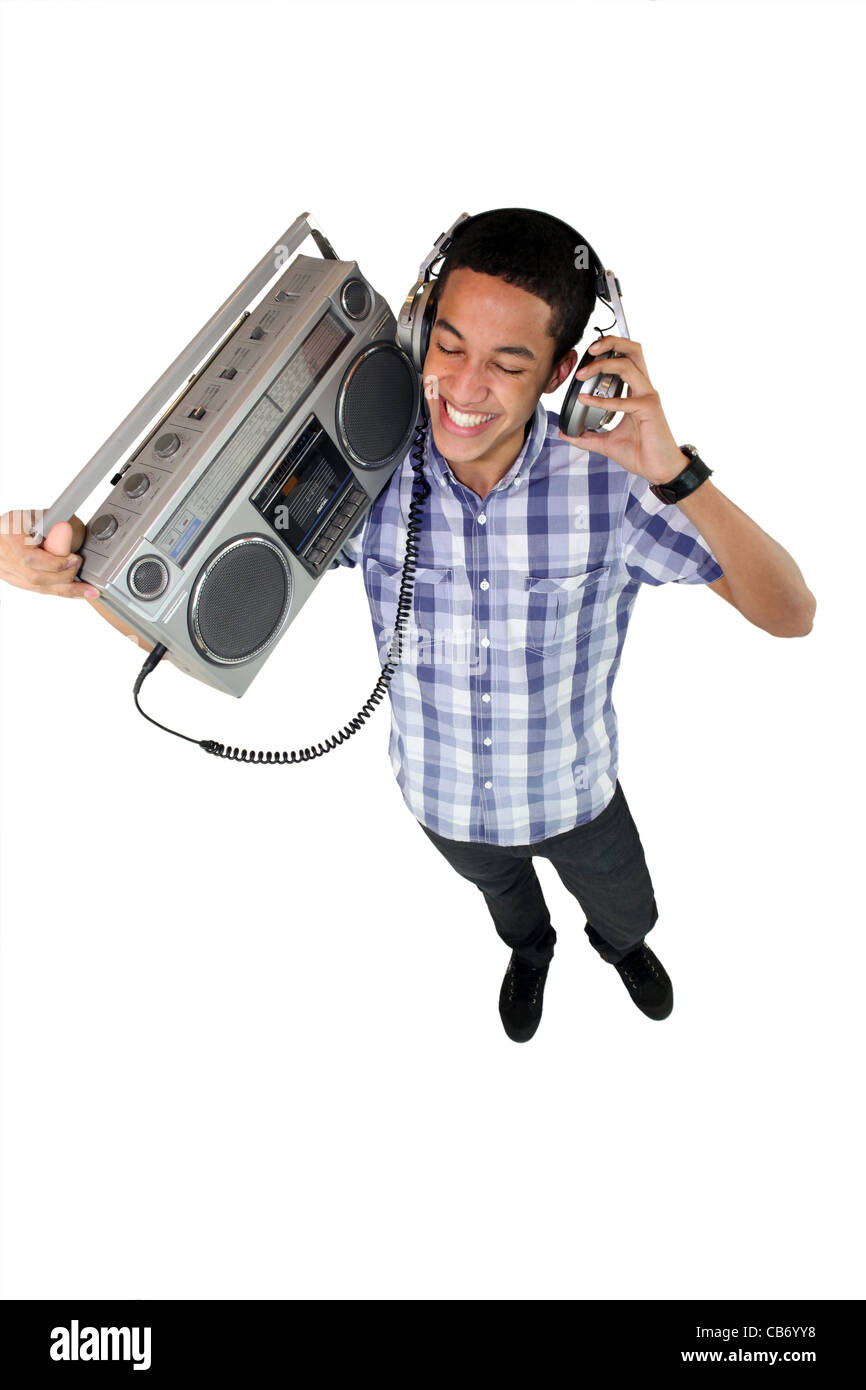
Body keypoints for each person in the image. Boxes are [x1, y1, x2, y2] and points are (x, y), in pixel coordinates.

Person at [0, 208, 816, 1045]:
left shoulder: (615, 484)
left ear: (562, 371)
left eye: (507, 364)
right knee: (505, 903)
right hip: (442, 799)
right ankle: (530, 953)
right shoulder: (369, 456)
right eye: (449, 344)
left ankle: (622, 947)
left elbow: (793, 615)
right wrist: (65, 575)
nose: (462, 388)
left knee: (625, 904)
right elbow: (197, 612)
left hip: (578, 799)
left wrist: (675, 471)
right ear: (422, 324)